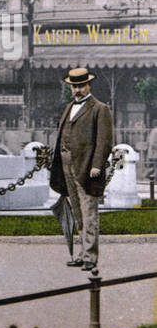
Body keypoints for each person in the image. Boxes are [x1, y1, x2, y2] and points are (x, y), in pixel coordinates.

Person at [49, 68, 114, 272]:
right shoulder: (69, 107)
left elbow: (104, 141)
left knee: (89, 212)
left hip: (87, 167)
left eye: (81, 86)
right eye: (74, 86)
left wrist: (96, 165)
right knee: (77, 211)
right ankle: (81, 253)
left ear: (89, 85)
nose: (78, 90)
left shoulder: (99, 108)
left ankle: (90, 256)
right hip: (67, 165)